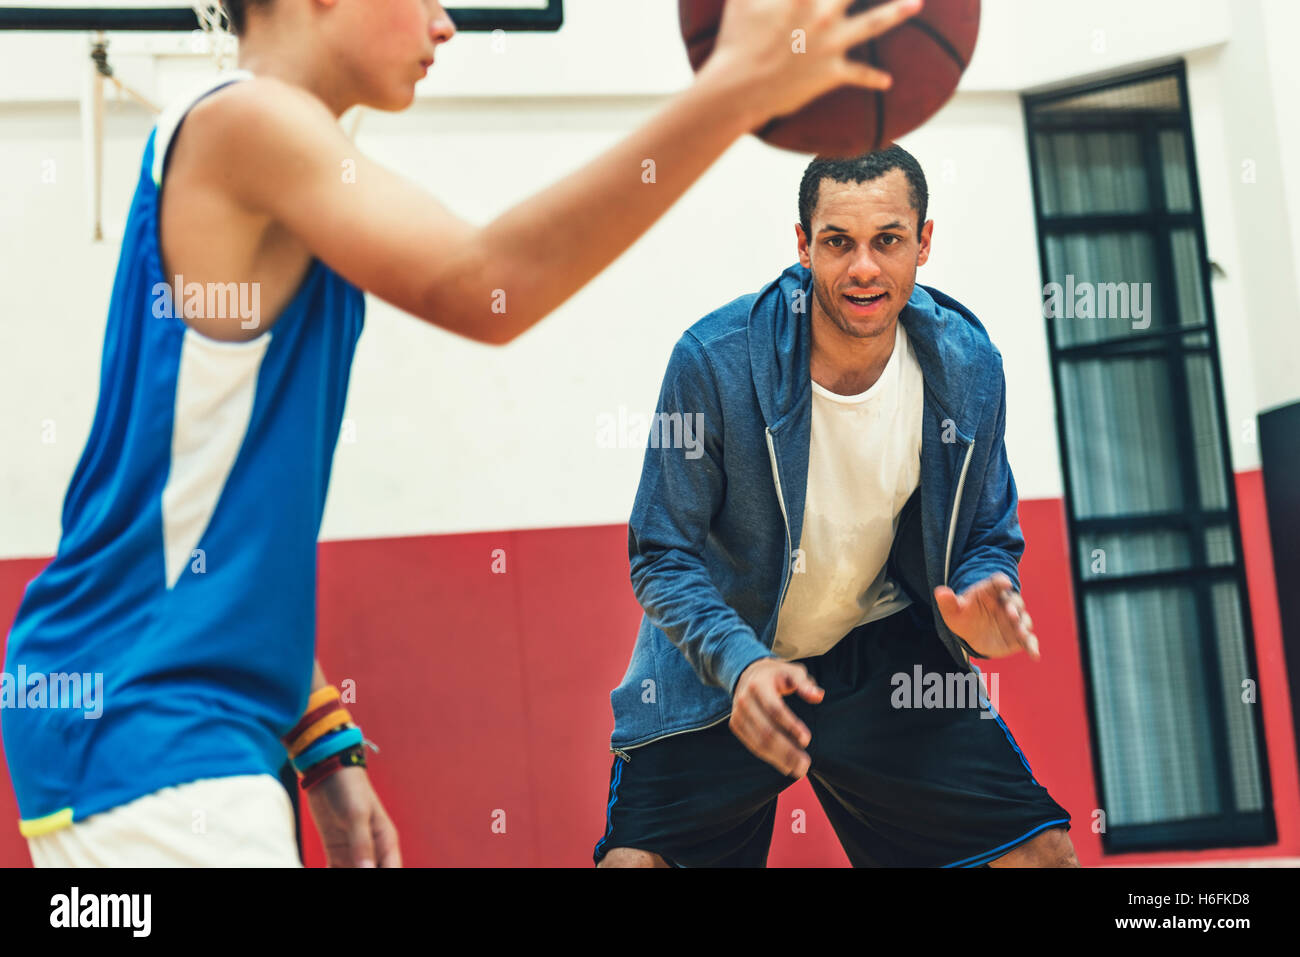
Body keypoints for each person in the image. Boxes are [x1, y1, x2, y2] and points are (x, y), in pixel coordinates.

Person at [2, 0, 925, 866]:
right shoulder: (248, 122)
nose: (446, 20)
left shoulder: (256, 146)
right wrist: (735, 89)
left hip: (160, 706)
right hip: (137, 713)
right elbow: (489, 284)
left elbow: (220, 516)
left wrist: (319, 733)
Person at [595, 145, 1078, 868]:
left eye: (887, 240)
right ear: (802, 245)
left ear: (923, 241)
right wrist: (742, 662)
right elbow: (662, 553)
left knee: (1040, 855)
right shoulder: (714, 359)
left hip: (877, 646)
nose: (862, 268)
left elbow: (985, 533)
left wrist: (987, 592)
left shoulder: (969, 365)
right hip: (728, 662)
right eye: (837, 242)